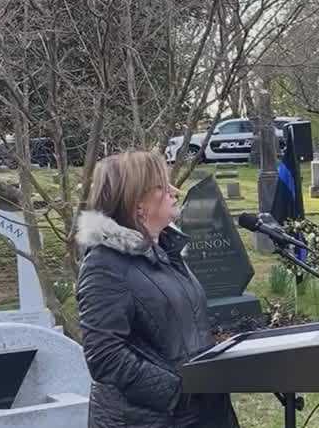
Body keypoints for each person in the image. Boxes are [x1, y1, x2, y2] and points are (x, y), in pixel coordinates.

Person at [75, 151, 239, 428]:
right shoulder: (105, 264)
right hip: (151, 418)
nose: (174, 191)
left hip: (202, 411)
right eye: (162, 187)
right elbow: (104, 355)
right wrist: (179, 392)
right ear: (138, 202)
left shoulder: (165, 251)